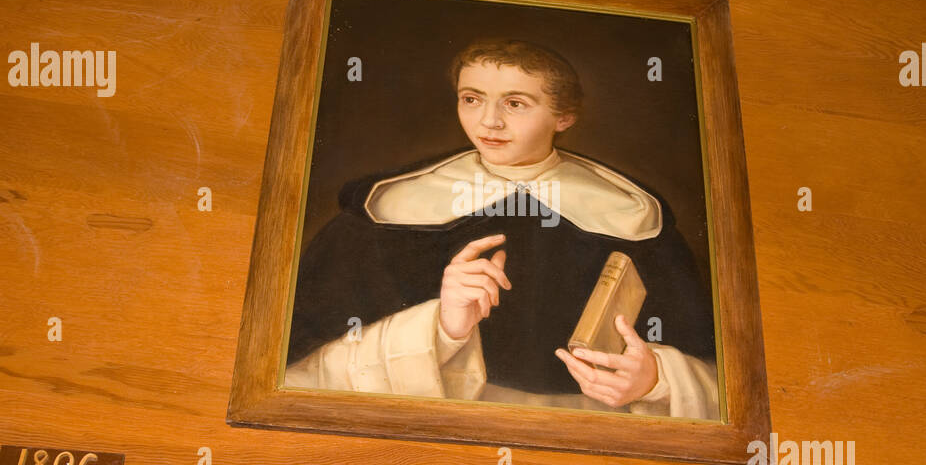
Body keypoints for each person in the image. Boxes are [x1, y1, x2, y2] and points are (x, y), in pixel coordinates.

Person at [283, 38, 721, 419]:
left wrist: (656, 379)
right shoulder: (388, 208)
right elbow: (302, 371)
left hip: (593, 432)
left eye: (515, 104)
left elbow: (716, 382)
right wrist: (440, 327)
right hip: (444, 423)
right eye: (471, 99)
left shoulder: (632, 216)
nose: (489, 122)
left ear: (564, 116)